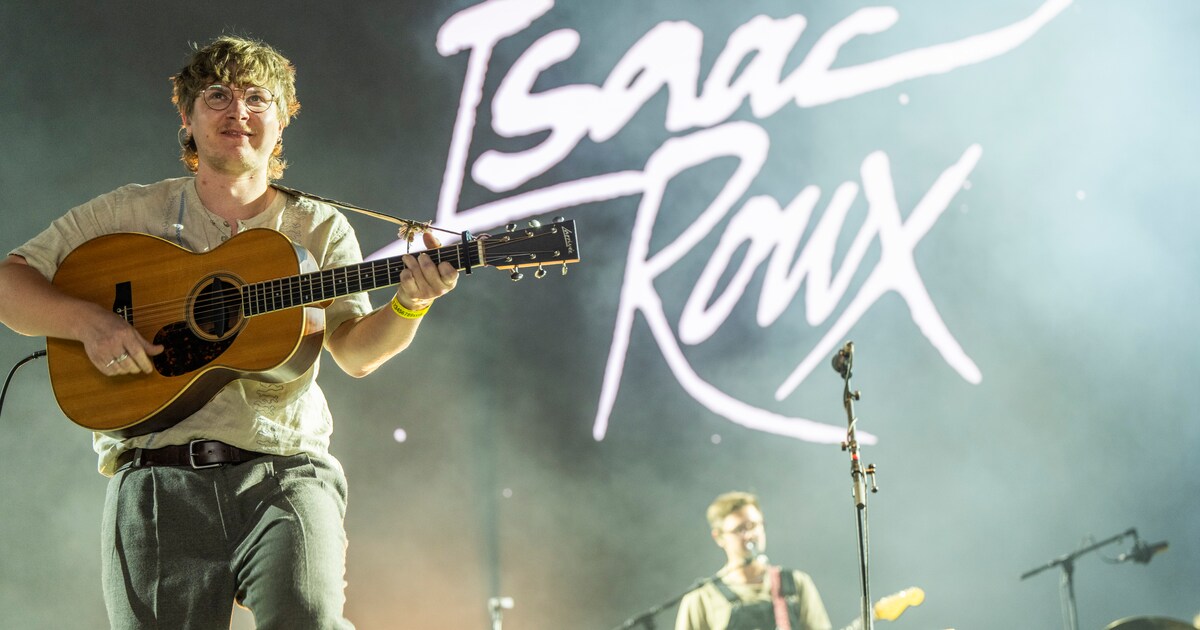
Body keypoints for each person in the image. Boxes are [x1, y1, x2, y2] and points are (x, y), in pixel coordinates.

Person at [0, 35, 457, 628]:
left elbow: (353, 353)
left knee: (312, 619)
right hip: (155, 476)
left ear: (283, 120)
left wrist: (410, 305)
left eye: (257, 98)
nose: (237, 111)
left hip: (284, 471)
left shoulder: (317, 227)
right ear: (187, 118)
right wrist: (89, 322)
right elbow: (10, 283)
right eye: (217, 95)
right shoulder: (127, 212)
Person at [675, 491, 833, 630]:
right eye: (740, 529)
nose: (750, 534)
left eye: (755, 525)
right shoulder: (701, 597)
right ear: (719, 537)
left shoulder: (797, 582)